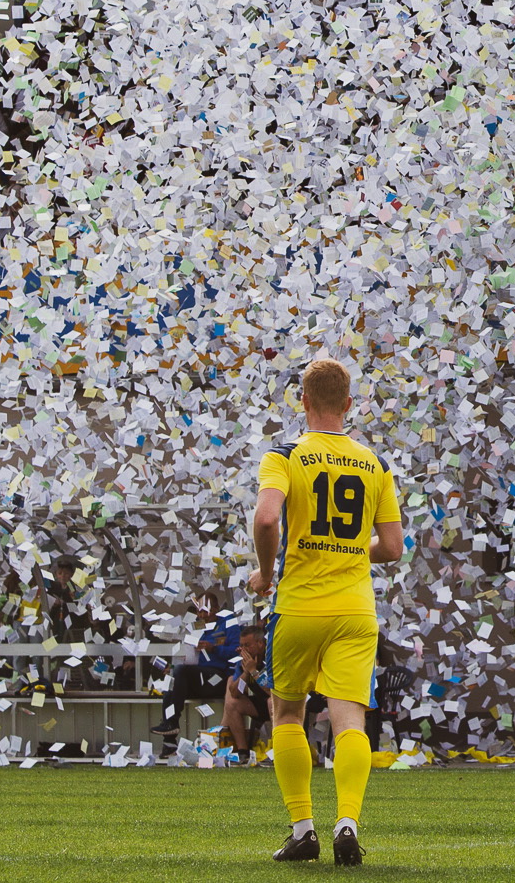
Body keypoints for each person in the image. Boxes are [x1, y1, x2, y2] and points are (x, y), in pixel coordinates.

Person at [247, 357, 404, 867]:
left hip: (298, 607)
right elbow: (394, 548)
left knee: (287, 712)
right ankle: (348, 822)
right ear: (350, 405)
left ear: (304, 401)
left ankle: (302, 830)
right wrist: (350, 551)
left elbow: (267, 518)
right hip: (356, 609)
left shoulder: (286, 454)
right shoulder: (375, 463)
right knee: (349, 721)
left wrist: (266, 574)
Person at [150, 591, 240, 750]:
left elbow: (237, 652)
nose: (202, 615)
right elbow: (187, 659)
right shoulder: (196, 627)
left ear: (217, 608)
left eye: (206, 610)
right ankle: (169, 740)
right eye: (199, 611)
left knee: (180, 673)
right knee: (171, 680)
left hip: (219, 678)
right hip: (198, 677)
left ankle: (171, 723)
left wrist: (215, 649)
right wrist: (171, 668)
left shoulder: (228, 622)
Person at [223, 625, 271, 763]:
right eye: (241, 646)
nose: (243, 650)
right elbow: (235, 693)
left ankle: (276, 750)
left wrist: (254, 672)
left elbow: (270, 690)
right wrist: (245, 673)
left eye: (247, 645)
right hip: (258, 705)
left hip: (278, 704)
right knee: (232, 703)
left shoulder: (270, 658)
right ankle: (243, 751)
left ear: (260, 643)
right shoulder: (244, 662)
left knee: (271, 701)